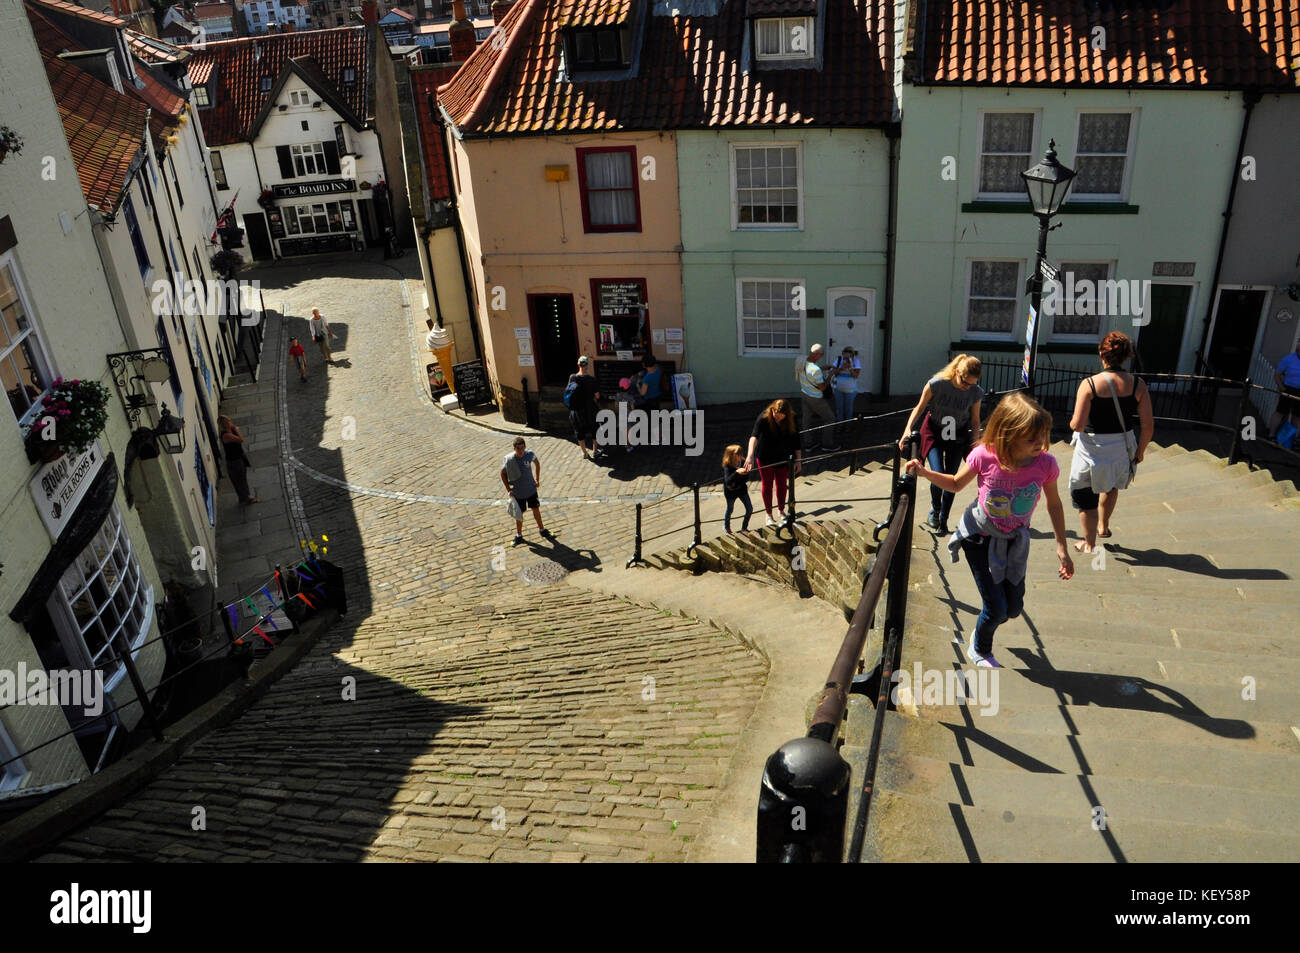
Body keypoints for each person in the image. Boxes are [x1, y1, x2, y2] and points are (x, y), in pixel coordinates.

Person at [907, 392, 1073, 668]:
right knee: (996, 609)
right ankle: (980, 648)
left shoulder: (1046, 464)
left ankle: (989, 625)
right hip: (979, 537)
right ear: (1009, 434)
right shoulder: (984, 455)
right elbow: (956, 484)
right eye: (1031, 438)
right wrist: (925, 473)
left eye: (1043, 435)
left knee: (1013, 609)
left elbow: (1054, 504)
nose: (1040, 443)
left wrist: (1062, 547)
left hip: (1015, 539)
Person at [1067, 332, 1155, 554]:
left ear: (1101, 354)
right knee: (1111, 485)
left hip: (1091, 451)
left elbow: (1077, 425)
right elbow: (1148, 426)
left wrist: (1072, 421)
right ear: (1126, 356)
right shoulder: (1138, 385)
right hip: (1120, 448)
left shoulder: (1089, 384)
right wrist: (1140, 452)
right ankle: (1103, 526)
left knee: (1086, 498)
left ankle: (1089, 544)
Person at [899, 354, 984, 535]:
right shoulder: (936, 384)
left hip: (957, 435)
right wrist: (907, 429)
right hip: (934, 432)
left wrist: (975, 441)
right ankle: (935, 510)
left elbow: (976, 420)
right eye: (964, 382)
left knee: (952, 478)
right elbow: (920, 408)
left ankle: (944, 519)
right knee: (936, 473)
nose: (966, 387)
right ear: (956, 371)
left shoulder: (975, 392)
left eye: (971, 384)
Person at [744, 398, 802, 528]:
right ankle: (768, 514)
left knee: (782, 485)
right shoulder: (764, 418)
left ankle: (781, 511)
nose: (777, 417)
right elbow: (754, 436)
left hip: (783, 457)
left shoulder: (792, 418)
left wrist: (798, 460)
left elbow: (796, 440)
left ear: (786, 414)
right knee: (767, 485)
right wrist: (750, 455)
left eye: (780, 416)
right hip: (765, 457)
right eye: (775, 414)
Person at [501, 436, 552, 545]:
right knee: (519, 514)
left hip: (531, 489)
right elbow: (502, 473)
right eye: (518, 448)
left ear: (525, 447)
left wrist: (537, 479)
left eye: (522, 448)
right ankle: (519, 536)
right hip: (518, 492)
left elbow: (537, 463)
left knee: (536, 509)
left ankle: (542, 530)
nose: (520, 451)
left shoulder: (529, 454)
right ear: (514, 448)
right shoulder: (510, 460)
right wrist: (508, 490)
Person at [797, 343, 838, 452]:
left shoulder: (801, 361)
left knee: (806, 419)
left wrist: (822, 368)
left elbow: (809, 372)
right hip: (816, 398)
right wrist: (831, 375)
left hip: (805, 394)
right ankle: (827, 444)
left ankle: (808, 444)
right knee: (830, 419)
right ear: (817, 354)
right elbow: (822, 387)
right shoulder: (815, 370)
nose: (821, 357)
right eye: (821, 355)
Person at [217, 414, 259, 505]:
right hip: (234, 461)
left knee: (241, 478)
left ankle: (243, 498)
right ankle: (247, 498)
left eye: (229, 421)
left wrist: (234, 429)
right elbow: (240, 439)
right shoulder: (226, 435)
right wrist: (236, 430)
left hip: (239, 457)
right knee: (240, 480)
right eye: (228, 422)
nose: (230, 422)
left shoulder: (230, 431)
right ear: (225, 424)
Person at [566, 356, 601, 460]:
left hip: (577, 410)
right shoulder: (591, 380)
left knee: (579, 431)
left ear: (578, 365)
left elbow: (568, 392)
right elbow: (597, 396)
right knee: (594, 429)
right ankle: (595, 450)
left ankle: (585, 452)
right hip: (590, 409)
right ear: (587, 366)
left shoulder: (572, 378)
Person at [1267, 339, 1300, 442]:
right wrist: (1281, 388)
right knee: (1280, 412)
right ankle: (1271, 434)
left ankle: (1292, 439)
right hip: (1289, 389)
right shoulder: (1289, 359)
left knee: (1297, 416)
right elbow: (1277, 374)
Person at [721, 444, 753, 533]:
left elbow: (747, 478)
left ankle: (744, 527)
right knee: (730, 509)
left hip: (741, 490)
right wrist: (737, 473)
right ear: (731, 456)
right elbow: (728, 481)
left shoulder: (743, 463)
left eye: (740, 454)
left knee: (749, 509)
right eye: (737, 454)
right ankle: (726, 526)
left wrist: (741, 476)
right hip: (731, 493)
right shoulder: (728, 466)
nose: (740, 456)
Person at [830, 346, 861, 428]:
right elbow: (833, 372)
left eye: (850, 353)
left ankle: (848, 425)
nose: (847, 356)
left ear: (853, 354)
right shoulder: (839, 360)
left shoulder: (856, 361)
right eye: (845, 353)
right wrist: (841, 368)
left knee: (848, 408)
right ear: (843, 353)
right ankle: (840, 424)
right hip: (838, 388)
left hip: (851, 389)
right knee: (839, 408)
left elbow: (856, 375)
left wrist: (850, 368)